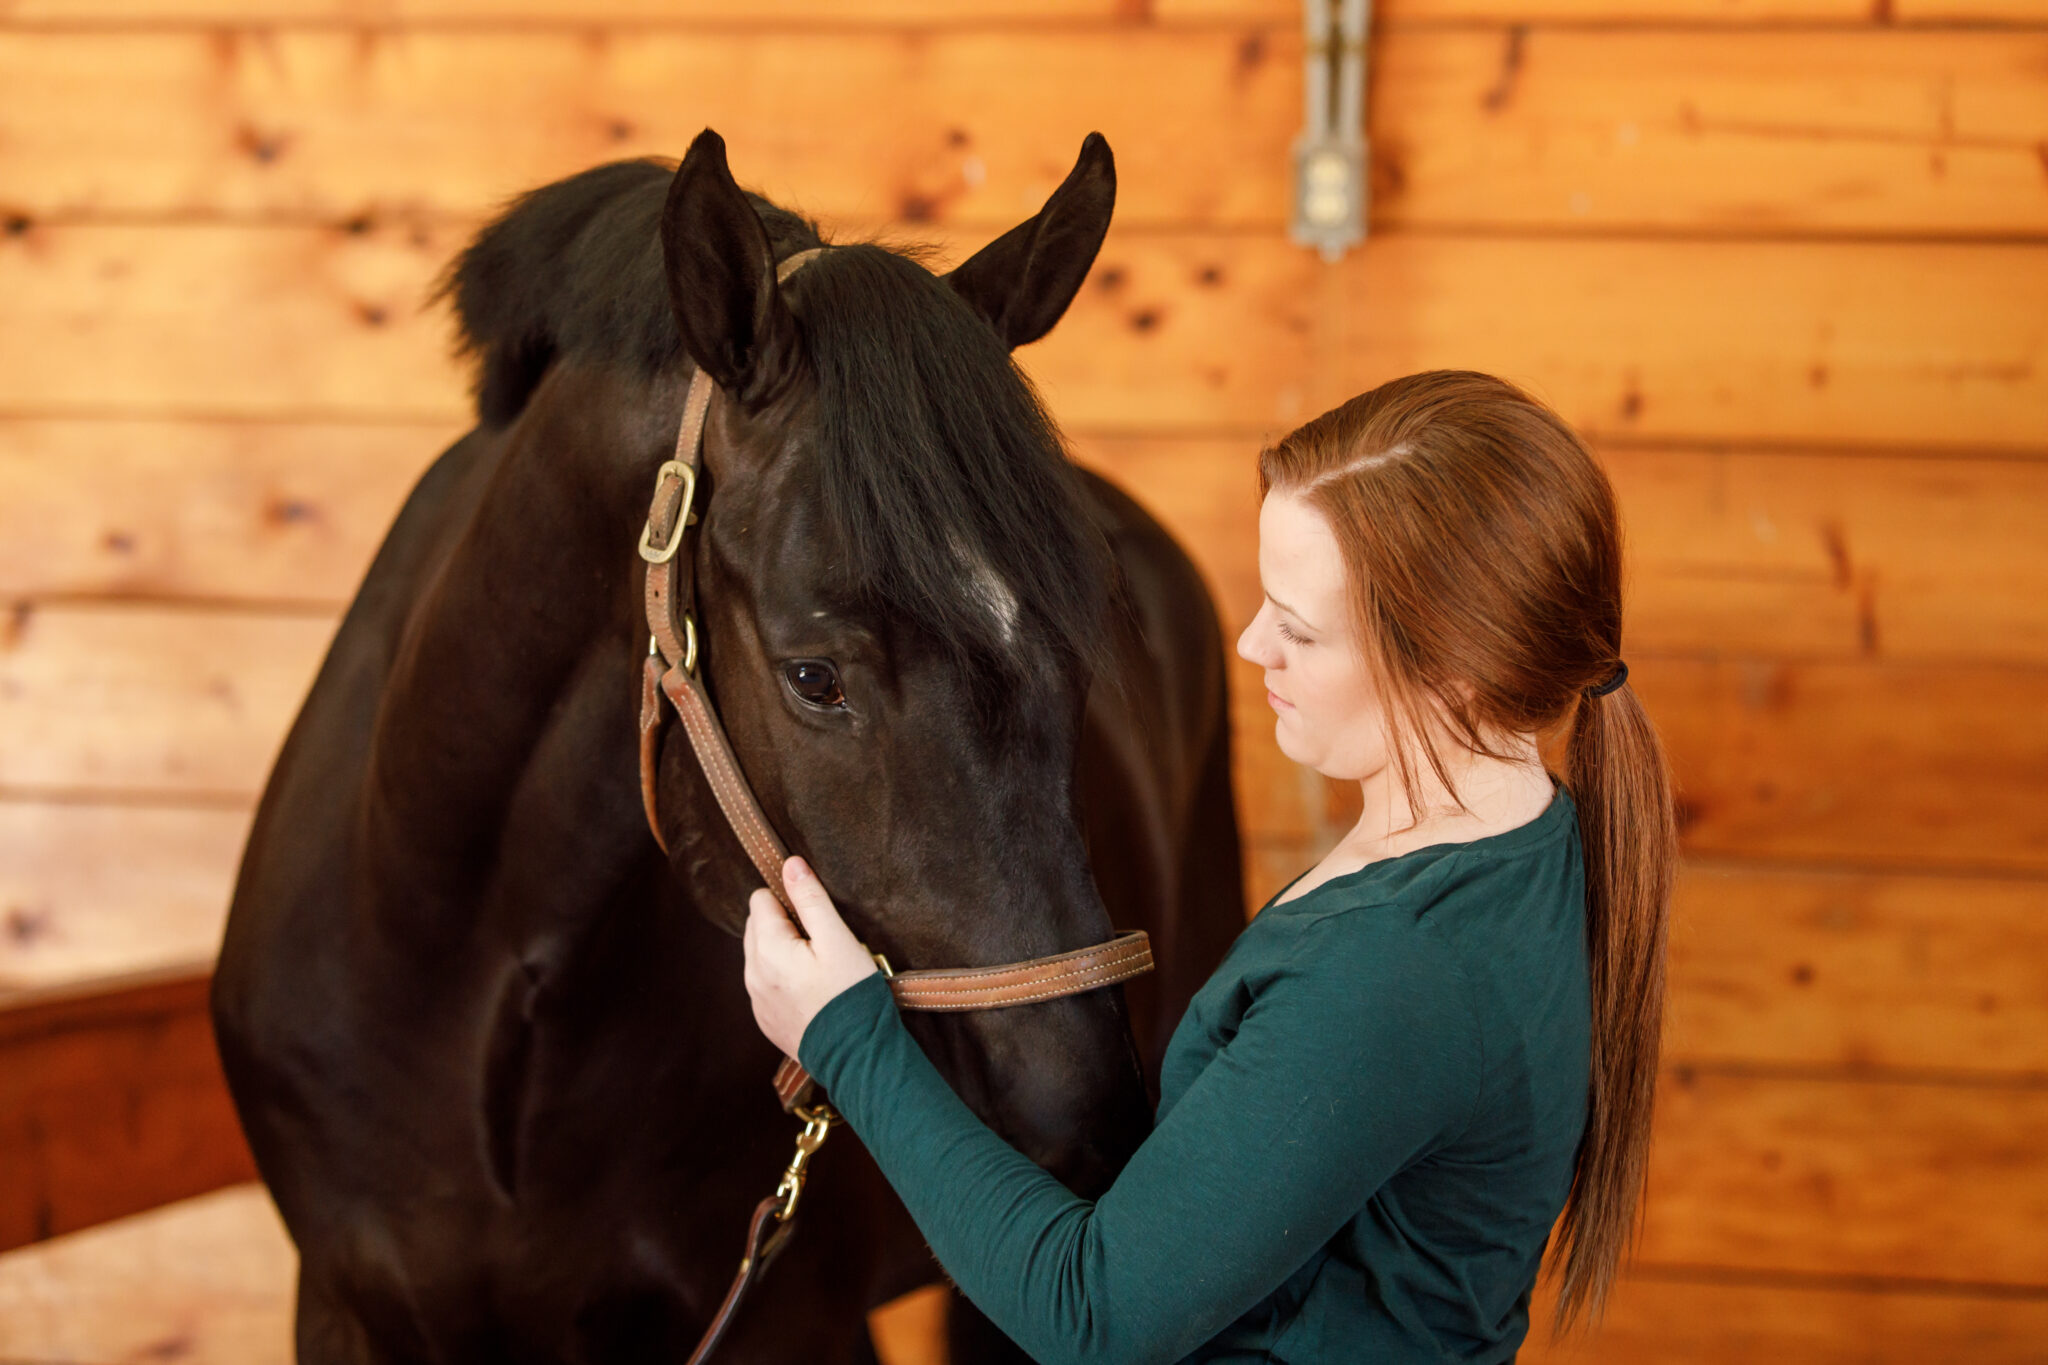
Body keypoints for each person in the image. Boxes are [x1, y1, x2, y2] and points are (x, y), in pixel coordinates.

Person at [741, 370, 1676, 1363]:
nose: (1247, 643)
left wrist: (846, 1037)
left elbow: (1091, 1315)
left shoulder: (1397, 969)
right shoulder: (1521, 840)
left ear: (1454, 671)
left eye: (1300, 629)